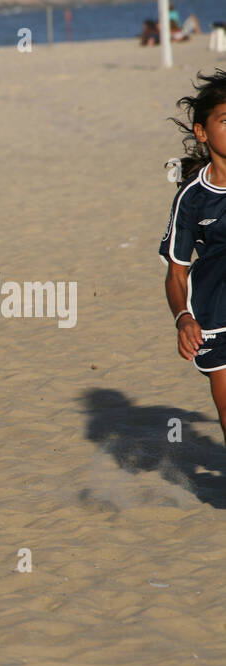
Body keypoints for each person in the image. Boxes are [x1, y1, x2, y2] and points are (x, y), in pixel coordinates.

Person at [164, 70, 226, 443]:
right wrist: (183, 318)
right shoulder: (192, 197)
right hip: (215, 316)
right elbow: (176, 272)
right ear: (201, 131)